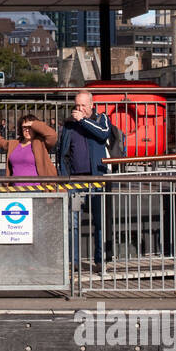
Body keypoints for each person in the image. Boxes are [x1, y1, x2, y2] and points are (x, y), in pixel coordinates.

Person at [58, 91, 112, 268]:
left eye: (83, 106)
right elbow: (62, 151)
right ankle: (73, 262)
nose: (79, 109)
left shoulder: (101, 118)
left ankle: (100, 259)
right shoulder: (69, 125)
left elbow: (104, 134)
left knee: (100, 221)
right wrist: (65, 177)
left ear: (91, 105)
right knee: (72, 221)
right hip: (75, 180)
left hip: (97, 178)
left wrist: (83, 120)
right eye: (77, 106)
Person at [0, 113, 57, 183]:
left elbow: (52, 135)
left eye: (30, 127)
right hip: (15, 190)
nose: (27, 130)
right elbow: (3, 143)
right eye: (24, 127)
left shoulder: (40, 143)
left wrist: (33, 123)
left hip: (36, 190)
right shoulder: (14, 144)